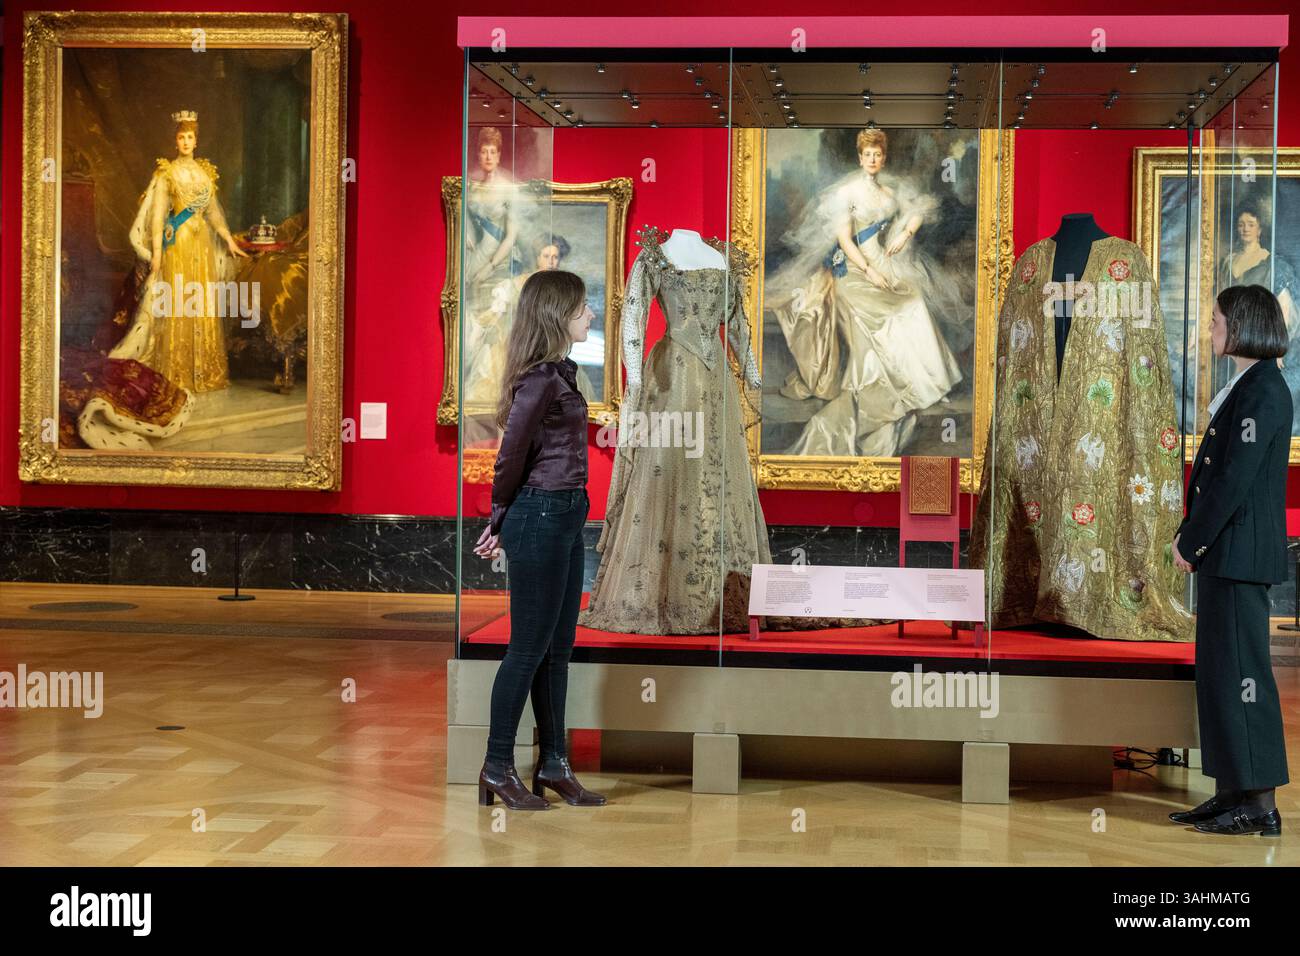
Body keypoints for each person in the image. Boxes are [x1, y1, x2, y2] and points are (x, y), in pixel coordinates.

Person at [472, 269, 606, 810]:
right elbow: (509, 456)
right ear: (556, 315)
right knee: (527, 649)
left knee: (558, 651)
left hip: (569, 512)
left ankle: (554, 764)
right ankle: (497, 767)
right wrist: (500, 518)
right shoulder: (538, 380)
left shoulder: (561, 374)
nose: (590, 314)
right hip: (541, 514)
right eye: (581, 308)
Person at [1170, 284, 1291, 836]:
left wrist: (1190, 542)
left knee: (1245, 679)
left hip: (1238, 556)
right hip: (1228, 554)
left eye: (1217, 320)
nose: (1210, 329)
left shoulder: (1263, 391)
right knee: (1222, 677)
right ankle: (1229, 793)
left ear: (1243, 325)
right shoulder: (1247, 386)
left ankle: (1261, 806)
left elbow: (1233, 482)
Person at [111, 109, 248, 392]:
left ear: (196, 141)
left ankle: (204, 371)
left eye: (190, 137)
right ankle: (180, 370)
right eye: (181, 137)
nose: (186, 142)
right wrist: (158, 257)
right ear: (175, 141)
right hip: (179, 246)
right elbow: (159, 217)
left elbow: (213, 214)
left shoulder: (205, 173)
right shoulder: (166, 172)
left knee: (202, 303)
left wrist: (229, 241)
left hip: (203, 247)